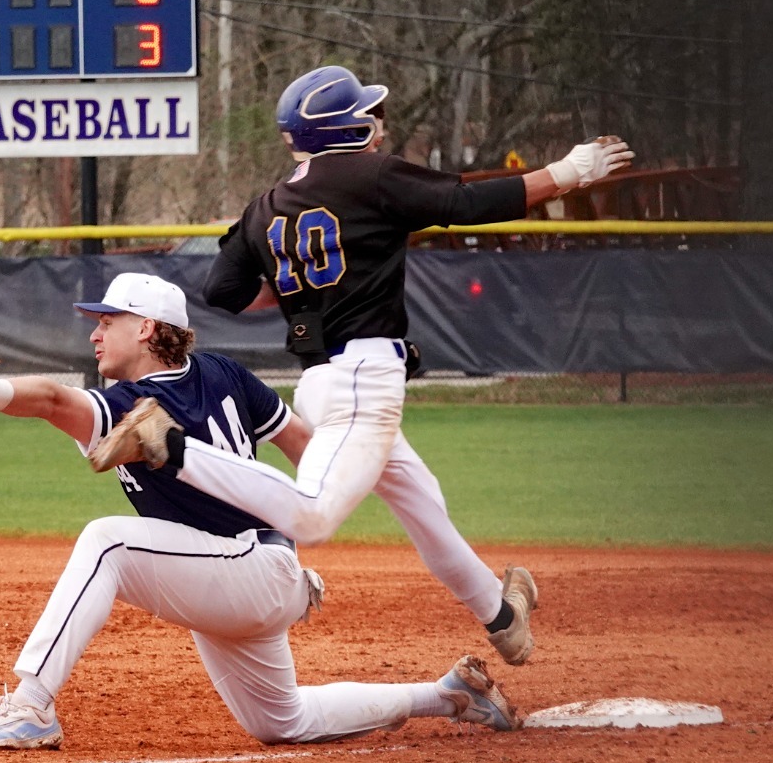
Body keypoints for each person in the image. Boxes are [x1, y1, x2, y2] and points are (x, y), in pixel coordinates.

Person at [90, 65, 635, 668]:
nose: (377, 125)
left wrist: (299, 291)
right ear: (348, 125)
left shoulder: (267, 205)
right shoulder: (370, 175)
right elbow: (466, 201)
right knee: (314, 515)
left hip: (323, 383)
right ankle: (171, 445)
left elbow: (223, 289)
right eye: (368, 114)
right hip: (361, 381)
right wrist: (569, 173)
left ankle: (502, 617)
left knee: (424, 506)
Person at [0, 272, 518, 750]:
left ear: (144, 329)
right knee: (280, 721)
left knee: (107, 542)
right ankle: (446, 696)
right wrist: (330, 495)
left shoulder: (130, 405)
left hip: (244, 569)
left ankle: (30, 706)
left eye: (107, 321)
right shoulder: (225, 373)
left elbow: (49, 400)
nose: (95, 334)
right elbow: (302, 445)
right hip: (248, 574)